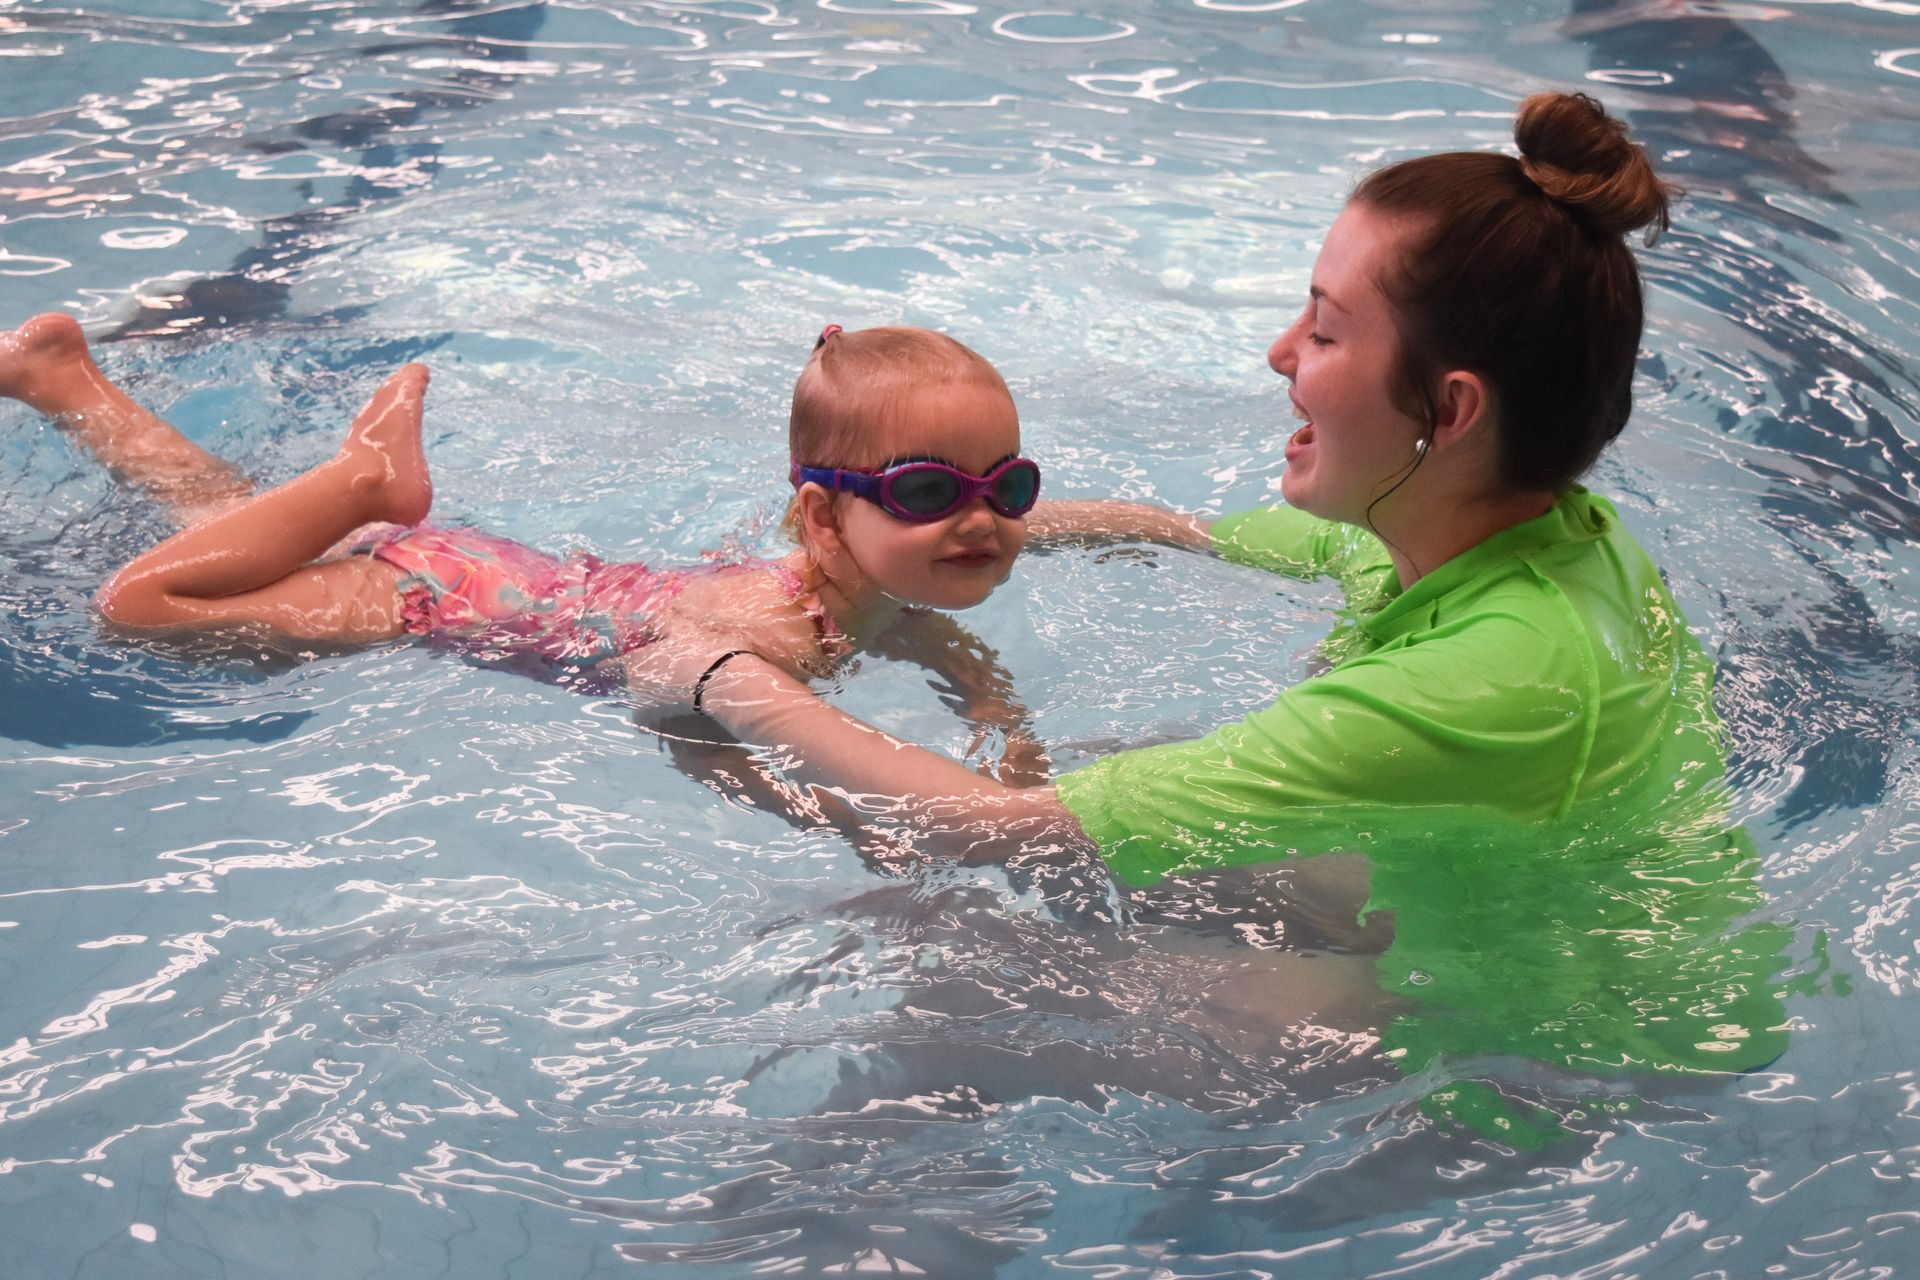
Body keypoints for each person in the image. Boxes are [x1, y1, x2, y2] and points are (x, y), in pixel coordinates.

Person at [634, 92, 1789, 1080]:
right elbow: (1178, 534)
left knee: (969, 961)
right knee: (1133, 816)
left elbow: (987, 827)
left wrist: (724, 677)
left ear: (1450, 411)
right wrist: (955, 515)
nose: (1279, 353)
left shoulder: (1490, 676)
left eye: (1326, 334)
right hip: (1505, 904)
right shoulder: (1510, 533)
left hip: (1545, 1048)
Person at [0, 319, 1042, 733]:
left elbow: (922, 630)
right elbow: (692, 727)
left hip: (487, 572)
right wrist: (819, 808)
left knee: (229, 518)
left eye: (1013, 488)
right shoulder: (764, 635)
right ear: (822, 519)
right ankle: (364, 478)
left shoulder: (841, 590)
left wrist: (996, 709)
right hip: (425, 599)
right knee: (142, 605)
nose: (982, 520)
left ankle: (63, 380)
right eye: (926, 494)